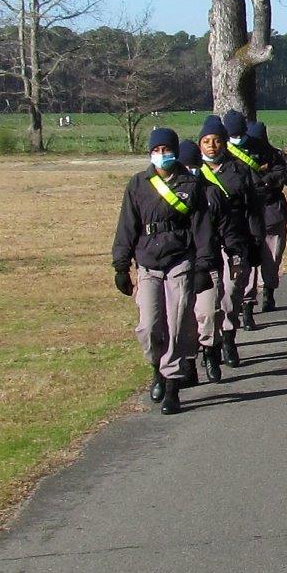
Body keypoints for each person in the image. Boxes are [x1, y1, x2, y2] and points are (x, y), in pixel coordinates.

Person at [111, 128, 216, 414]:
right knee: (149, 325)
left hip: (180, 260)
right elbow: (126, 227)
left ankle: (172, 383)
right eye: (156, 150)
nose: (161, 155)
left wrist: (203, 266)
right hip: (147, 262)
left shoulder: (190, 185)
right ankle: (155, 367)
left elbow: (202, 229)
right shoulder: (138, 184)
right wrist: (121, 265)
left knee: (178, 322)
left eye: (165, 150)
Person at [203, 114, 263, 366]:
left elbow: (253, 209)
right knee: (206, 302)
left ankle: (229, 337)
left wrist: (256, 242)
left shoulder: (240, 171)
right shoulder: (193, 173)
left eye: (217, 140)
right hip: (204, 241)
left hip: (236, 240)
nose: (211, 146)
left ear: (225, 142)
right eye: (206, 141)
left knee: (231, 294)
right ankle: (208, 346)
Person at [244, 121, 287, 314]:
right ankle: (248, 301)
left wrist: (273, 177)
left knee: (271, 258)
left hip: (272, 212)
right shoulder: (238, 158)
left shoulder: (276, 156)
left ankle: (267, 292)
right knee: (250, 260)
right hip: (250, 214)